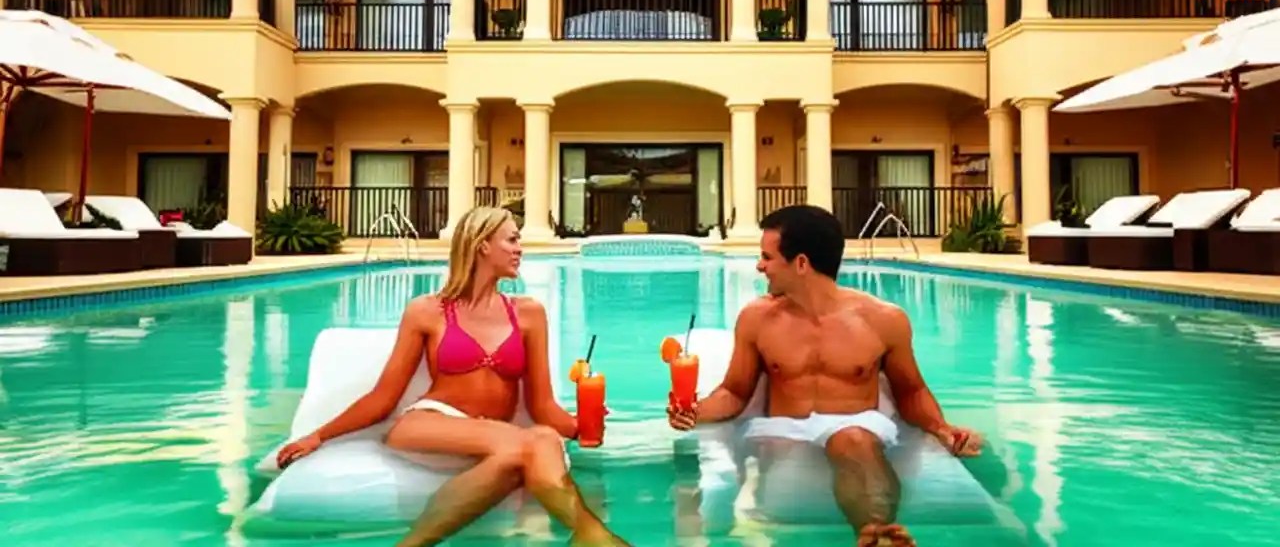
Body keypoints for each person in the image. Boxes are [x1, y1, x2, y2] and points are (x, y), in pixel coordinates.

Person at [275, 206, 629, 547]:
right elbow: (384, 396)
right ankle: (591, 534)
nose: (520, 249)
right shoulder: (427, 311)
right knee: (528, 444)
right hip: (431, 421)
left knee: (539, 441)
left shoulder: (529, 314)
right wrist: (318, 435)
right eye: (511, 240)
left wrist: (582, 426)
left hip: (492, 433)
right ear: (482, 245)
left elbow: (543, 406)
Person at [667, 204, 982, 547]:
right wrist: (694, 411)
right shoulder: (757, 319)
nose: (759, 266)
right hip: (782, 430)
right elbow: (734, 391)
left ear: (801, 263)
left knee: (852, 439)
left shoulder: (883, 320)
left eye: (767, 257)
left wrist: (942, 428)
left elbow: (911, 391)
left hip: (857, 426)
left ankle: (877, 533)